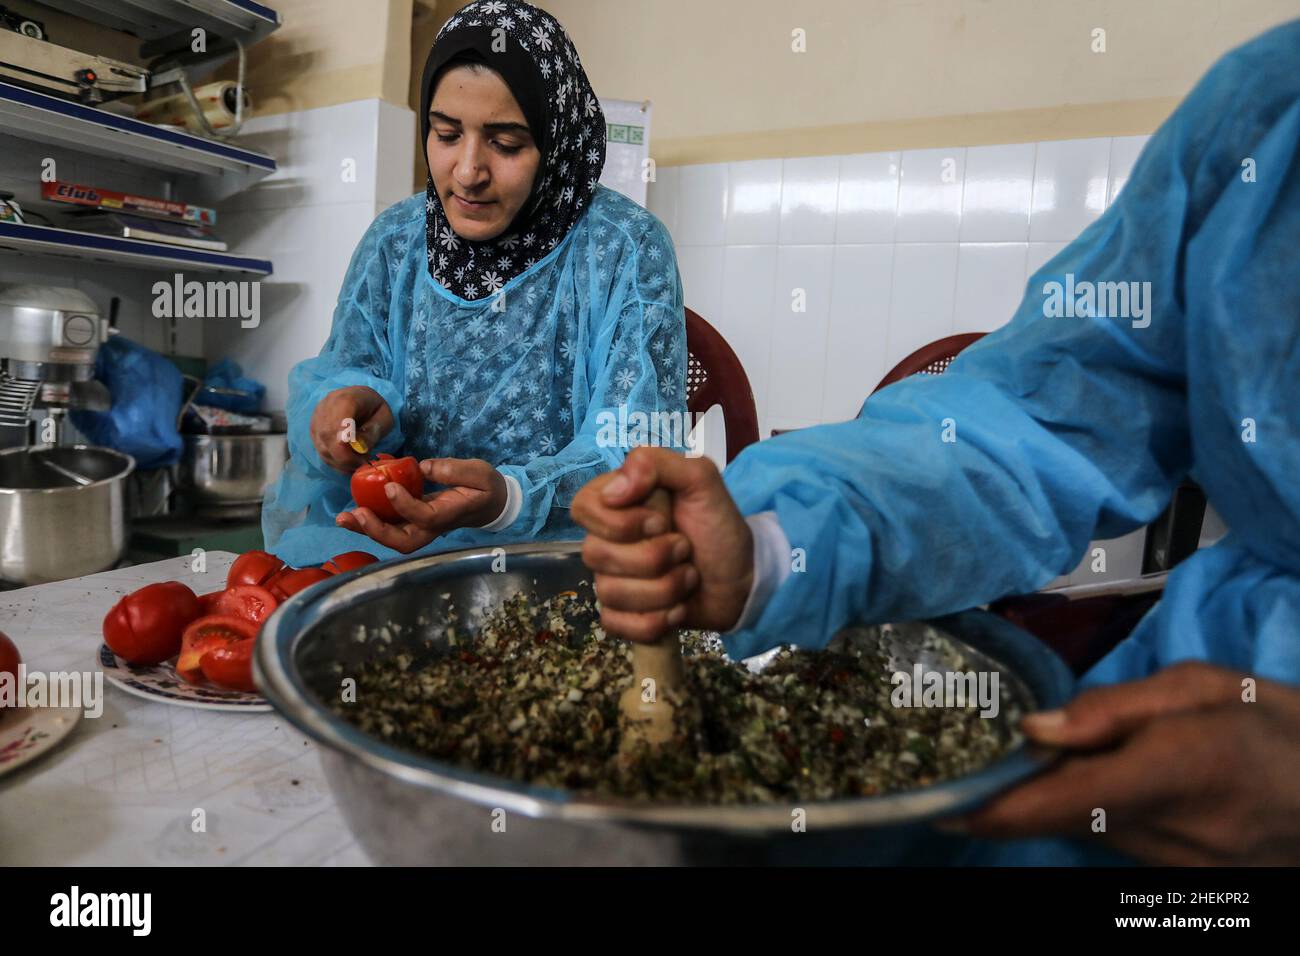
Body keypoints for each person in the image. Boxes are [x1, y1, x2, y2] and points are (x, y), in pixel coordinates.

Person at [571, 19, 1300, 865]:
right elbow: (1036, 421)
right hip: (1179, 739)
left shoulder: (625, 250)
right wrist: (773, 547)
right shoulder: (1267, 115)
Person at [263, 0, 685, 564]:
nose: (467, 171)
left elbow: (637, 450)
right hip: (390, 553)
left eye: (506, 143)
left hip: (557, 561)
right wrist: (343, 413)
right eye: (444, 134)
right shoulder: (396, 240)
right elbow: (349, 368)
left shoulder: (623, 247)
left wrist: (508, 500)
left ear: (556, 142)